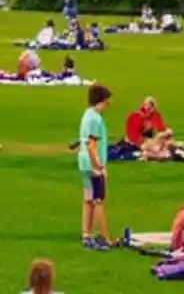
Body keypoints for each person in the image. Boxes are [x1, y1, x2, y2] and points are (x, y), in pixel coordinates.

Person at [78, 84, 113, 250]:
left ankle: (86, 234)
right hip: (92, 164)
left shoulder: (87, 115)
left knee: (88, 199)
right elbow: (92, 145)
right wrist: (98, 165)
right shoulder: (95, 119)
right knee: (98, 200)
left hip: (84, 162)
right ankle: (104, 236)